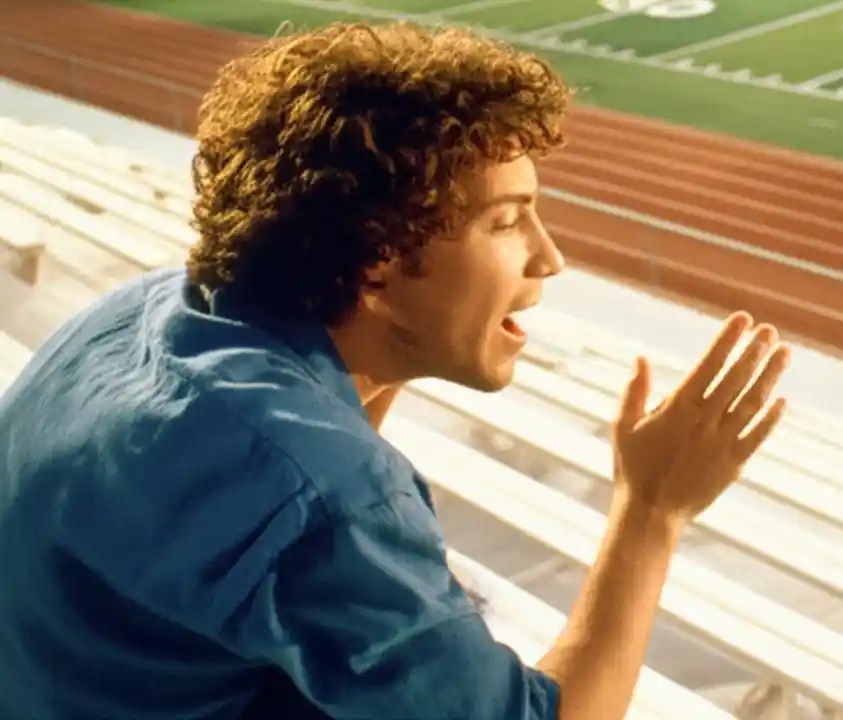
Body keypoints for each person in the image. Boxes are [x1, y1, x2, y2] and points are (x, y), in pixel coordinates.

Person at [0, 21, 790, 720]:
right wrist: (652, 510)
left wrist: (407, 347)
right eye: (507, 221)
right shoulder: (321, 495)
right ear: (378, 264)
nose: (550, 257)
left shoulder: (141, 312)